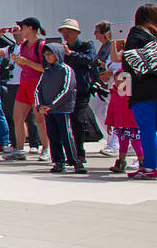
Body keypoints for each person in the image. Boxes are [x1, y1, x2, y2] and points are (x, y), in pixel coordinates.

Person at [113, 3, 157, 179]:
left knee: (146, 127)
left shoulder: (137, 33)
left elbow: (128, 61)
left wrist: (124, 86)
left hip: (144, 86)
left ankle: (149, 168)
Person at [35, 43, 86, 174]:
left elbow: (67, 89)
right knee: (53, 136)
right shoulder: (46, 71)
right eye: (45, 55)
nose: (48, 57)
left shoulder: (66, 70)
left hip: (62, 109)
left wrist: (52, 105)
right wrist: (39, 105)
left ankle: (75, 162)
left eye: (50, 54)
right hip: (48, 110)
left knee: (66, 135)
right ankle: (58, 161)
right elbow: (38, 89)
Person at [6, 17, 51, 162]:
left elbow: (44, 68)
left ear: (31, 28)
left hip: (37, 86)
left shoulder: (42, 45)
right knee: (17, 117)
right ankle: (19, 149)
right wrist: (20, 62)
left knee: (40, 118)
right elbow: (27, 66)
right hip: (24, 84)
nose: (21, 31)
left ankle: (46, 148)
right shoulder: (24, 46)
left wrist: (25, 62)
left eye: (23, 28)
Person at [57, 18, 96, 167]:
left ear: (76, 33)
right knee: (66, 124)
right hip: (65, 90)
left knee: (78, 122)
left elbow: (90, 59)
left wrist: (71, 53)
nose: (65, 34)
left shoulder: (86, 45)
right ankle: (70, 153)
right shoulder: (61, 48)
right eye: (63, 31)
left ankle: (80, 153)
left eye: (68, 31)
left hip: (81, 90)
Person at [103, 56, 143, 173]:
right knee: (122, 143)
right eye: (117, 79)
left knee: (136, 143)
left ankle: (142, 162)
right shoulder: (115, 93)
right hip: (120, 124)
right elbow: (111, 110)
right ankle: (121, 162)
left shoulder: (133, 93)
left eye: (122, 79)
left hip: (133, 124)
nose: (119, 82)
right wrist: (109, 123)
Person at [94, 22, 119, 156]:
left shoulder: (113, 46)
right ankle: (110, 140)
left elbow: (118, 64)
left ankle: (114, 143)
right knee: (99, 112)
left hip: (113, 85)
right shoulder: (104, 47)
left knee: (112, 114)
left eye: (97, 31)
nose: (95, 34)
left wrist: (107, 69)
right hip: (103, 85)